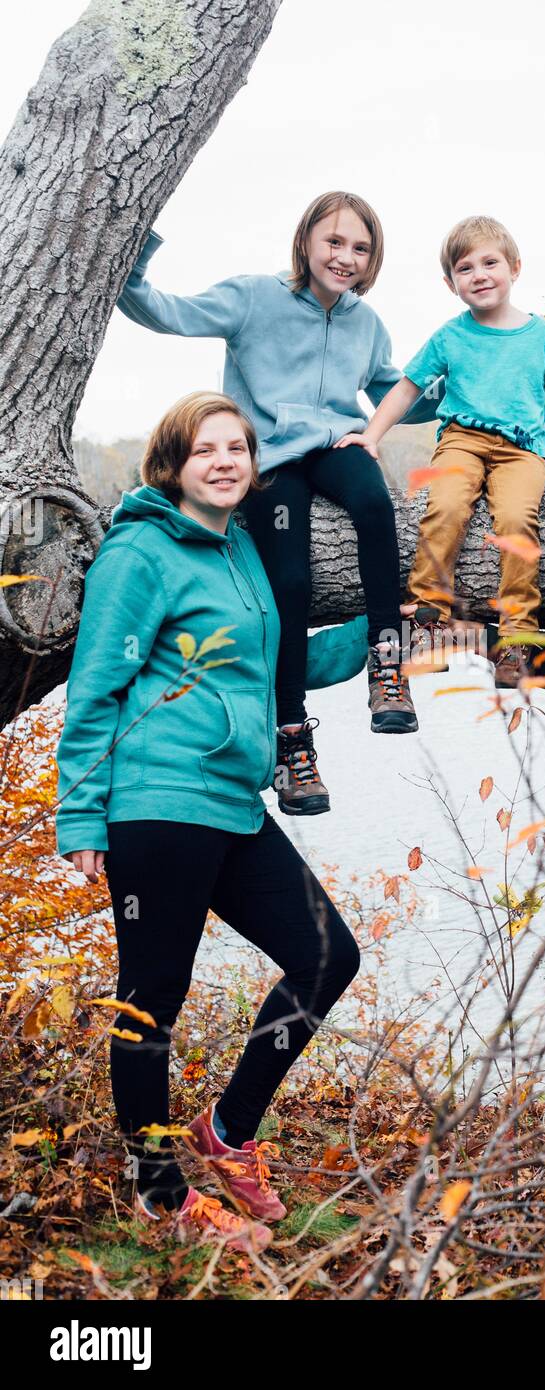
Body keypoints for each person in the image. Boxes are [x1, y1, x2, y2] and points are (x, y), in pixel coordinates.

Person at [55, 392, 361, 1253]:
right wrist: (80, 816)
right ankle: (160, 1194)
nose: (225, 462)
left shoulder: (243, 554)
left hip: (231, 802)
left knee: (327, 955)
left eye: (238, 448)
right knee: (152, 1000)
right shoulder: (141, 551)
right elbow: (95, 689)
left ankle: (225, 1133)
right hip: (155, 804)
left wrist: (385, 629)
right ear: (173, 463)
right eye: (206, 450)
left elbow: (278, 671)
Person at [117, 191, 437, 816]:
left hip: (334, 444)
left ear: (374, 259)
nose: (345, 257)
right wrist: (132, 262)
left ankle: (387, 664)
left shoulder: (365, 324)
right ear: (306, 242)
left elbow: (396, 394)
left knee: (376, 504)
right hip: (271, 459)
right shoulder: (254, 298)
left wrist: (459, 379)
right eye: (335, 242)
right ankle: (293, 737)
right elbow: (167, 312)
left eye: (361, 248)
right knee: (288, 580)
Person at [337, 214, 545, 687]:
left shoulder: (542, 335)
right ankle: (429, 617)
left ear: (515, 267)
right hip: (461, 441)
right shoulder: (451, 335)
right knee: (445, 505)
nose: (480, 275)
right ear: (451, 283)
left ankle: (517, 640)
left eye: (490, 263)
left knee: (517, 522)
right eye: (465, 269)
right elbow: (407, 389)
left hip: (523, 450)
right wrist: (371, 435)